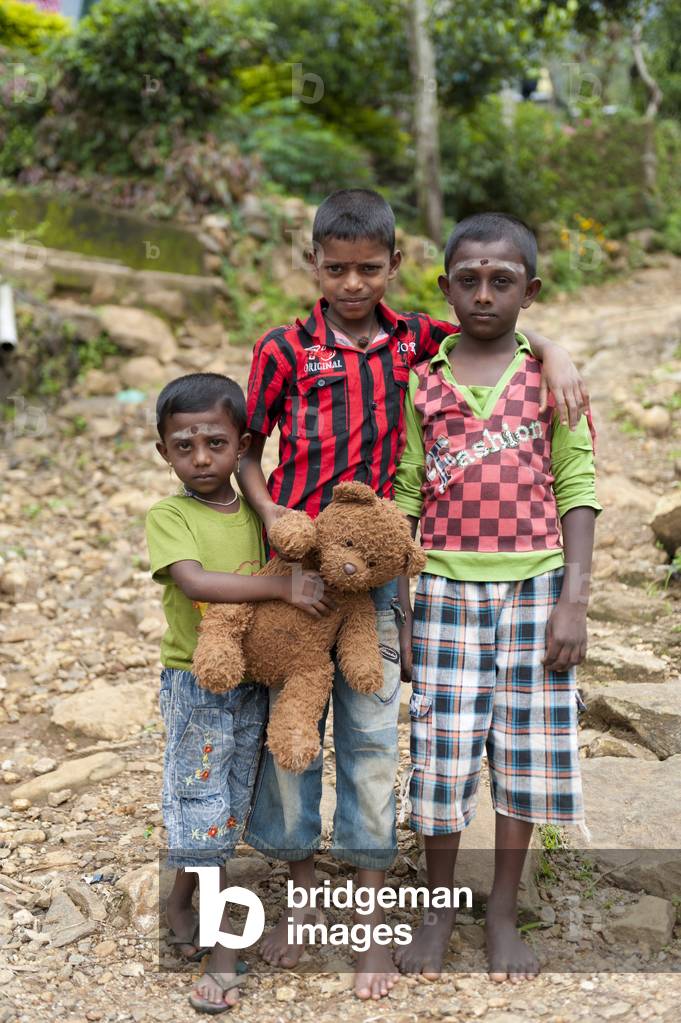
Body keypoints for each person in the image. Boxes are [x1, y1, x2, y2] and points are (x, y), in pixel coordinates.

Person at [237, 189, 590, 1000]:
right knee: (288, 735)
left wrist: (557, 349)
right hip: (297, 574)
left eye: (369, 268)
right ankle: (299, 888)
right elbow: (250, 447)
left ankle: (366, 908)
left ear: (397, 268)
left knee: (367, 741)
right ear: (313, 265)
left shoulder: (416, 341)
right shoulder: (283, 347)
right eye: (336, 269)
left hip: (386, 582)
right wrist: (272, 517)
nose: (353, 284)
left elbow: (496, 322)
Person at [393, 212, 601, 984]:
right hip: (444, 589)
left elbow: (576, 488)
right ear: (444, 287)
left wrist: (572, 601)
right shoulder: (425, 383)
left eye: (501, 281)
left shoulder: (552, 382)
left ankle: (503, 909)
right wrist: (401, 606)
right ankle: (439, 905)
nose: (483, 294)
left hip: (536, 589)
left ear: (530, 290)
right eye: (468, 280)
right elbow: (406, 497)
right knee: (441, 756)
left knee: (526, 753)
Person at [145, 372, 334, 1015]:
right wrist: (282, 592)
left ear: (243, 444)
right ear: (164, 451)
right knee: (203, 801)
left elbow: (286, 555)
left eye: (216, 444)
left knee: (225, 802)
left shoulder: (260, 515)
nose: (201, 459)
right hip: (196, 683)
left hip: (253, 683)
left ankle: (178, 905)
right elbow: (196, 584)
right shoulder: (170, 515)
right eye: (184, 446)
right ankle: (222, 956)